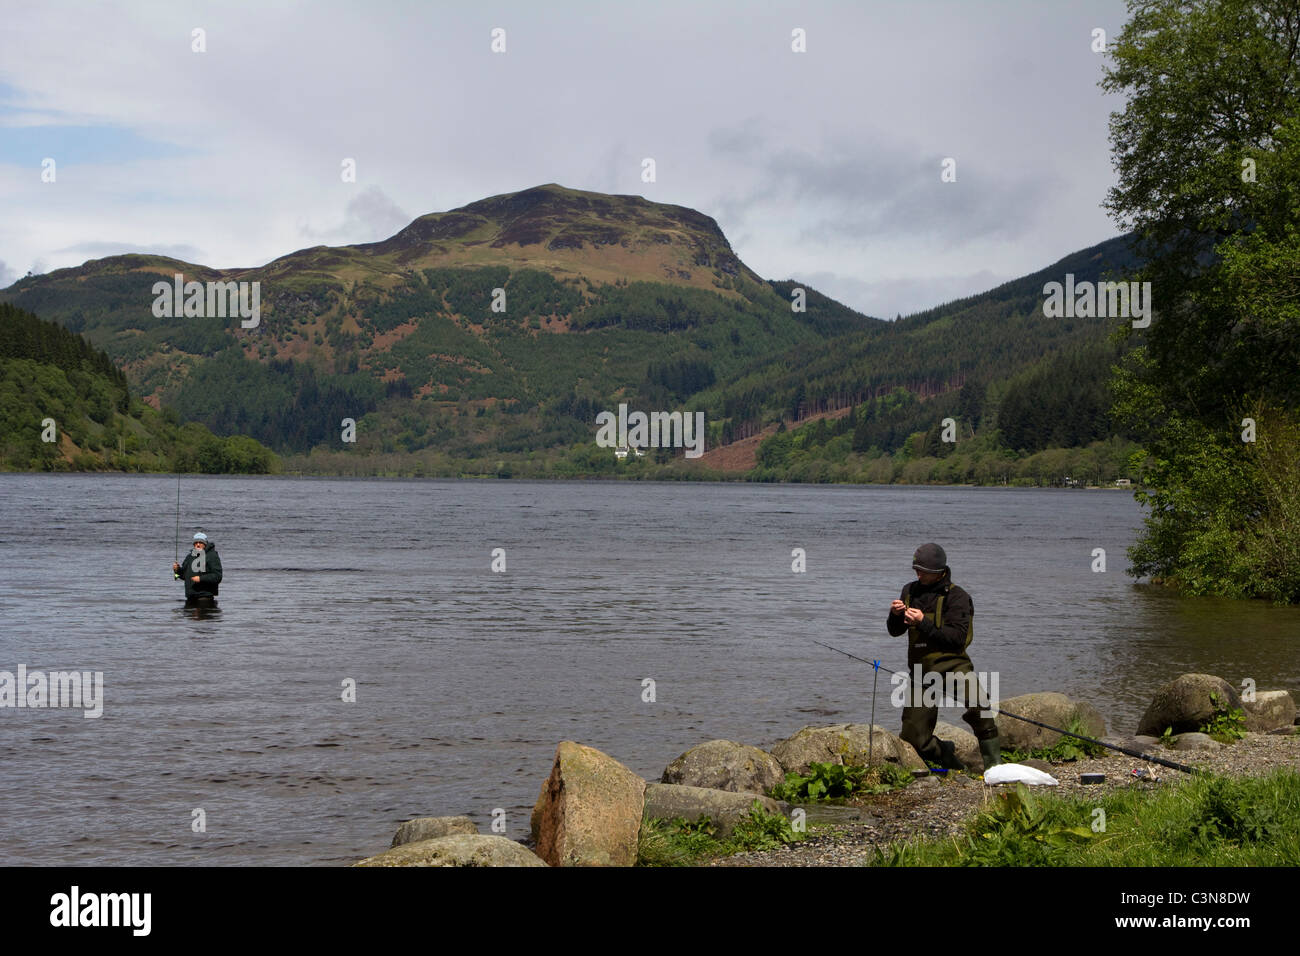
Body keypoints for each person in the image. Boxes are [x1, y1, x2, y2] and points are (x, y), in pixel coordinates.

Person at [886, 543, 1001, 773]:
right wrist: (896, 615)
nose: (918, 575)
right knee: (913, 738)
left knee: (980, 706)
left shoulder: (958, 597)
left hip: (954, 667)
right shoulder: (909, 591)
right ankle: (953, 764)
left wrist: (923, 622)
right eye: (916, 570)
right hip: (921, 671)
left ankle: (995, 767)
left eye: (923, 571)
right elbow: (894, 631)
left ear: (939, 571)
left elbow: (957, 639)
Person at [173, 532, 222, 606]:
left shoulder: (212, 556)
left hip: (204, 599)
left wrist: (200, 578)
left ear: (205, 544)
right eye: (196, 542)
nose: (198, 544)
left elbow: (218, 576)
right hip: (190, 598)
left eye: (200, 542)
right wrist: (177, 570)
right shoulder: (190, 556)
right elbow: (184, 576)